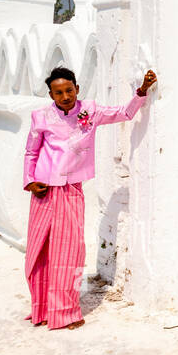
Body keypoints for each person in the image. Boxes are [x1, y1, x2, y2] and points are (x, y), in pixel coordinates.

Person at [22, 65, 157, 330]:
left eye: (69, 90)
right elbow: (31, 153)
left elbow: (124, 113)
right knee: (39, 251)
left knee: (69, 253)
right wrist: (30, 181)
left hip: (71, 191)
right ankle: (42, 308)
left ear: (77, 89)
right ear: (51, 95)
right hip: (43, 191)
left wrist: (141, 92)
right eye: (58, 92)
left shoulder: (90, 111)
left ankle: (66, 312)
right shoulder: (41, 117)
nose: (65, 96)